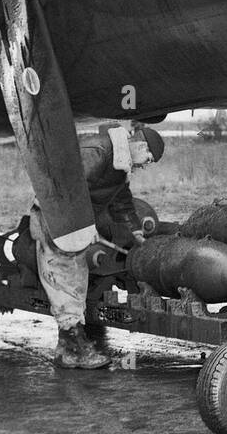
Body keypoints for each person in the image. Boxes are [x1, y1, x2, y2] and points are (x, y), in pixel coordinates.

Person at [31, 122, 165, 369]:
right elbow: (69, 187)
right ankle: (79, 349)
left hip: (70, 225)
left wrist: (135, 229)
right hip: (57, 221)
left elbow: (121, 200)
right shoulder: (100, 151)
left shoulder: (119, 162)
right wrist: (84, 225)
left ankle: (66, 350)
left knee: (75, 281)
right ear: (141, 144)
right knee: (65, 282)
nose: (146, 164)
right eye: (148, 158)